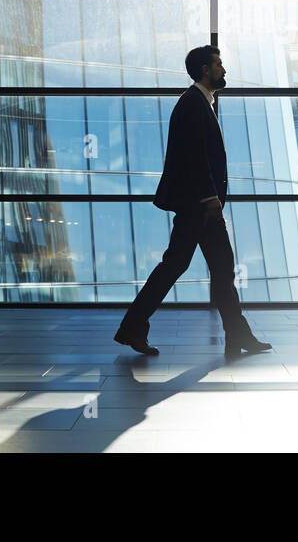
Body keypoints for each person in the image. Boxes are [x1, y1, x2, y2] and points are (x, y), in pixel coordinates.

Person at [114, 45, 272, 359]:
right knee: (213, 268)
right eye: (219, 65)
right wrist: (210, 197)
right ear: (204, 69)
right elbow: (195, 156)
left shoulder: (198, 103)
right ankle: (236, 336)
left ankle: (135, 327)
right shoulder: (193, 104)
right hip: (200, 206)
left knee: (189, 266)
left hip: (196, 205)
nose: (224, 70)